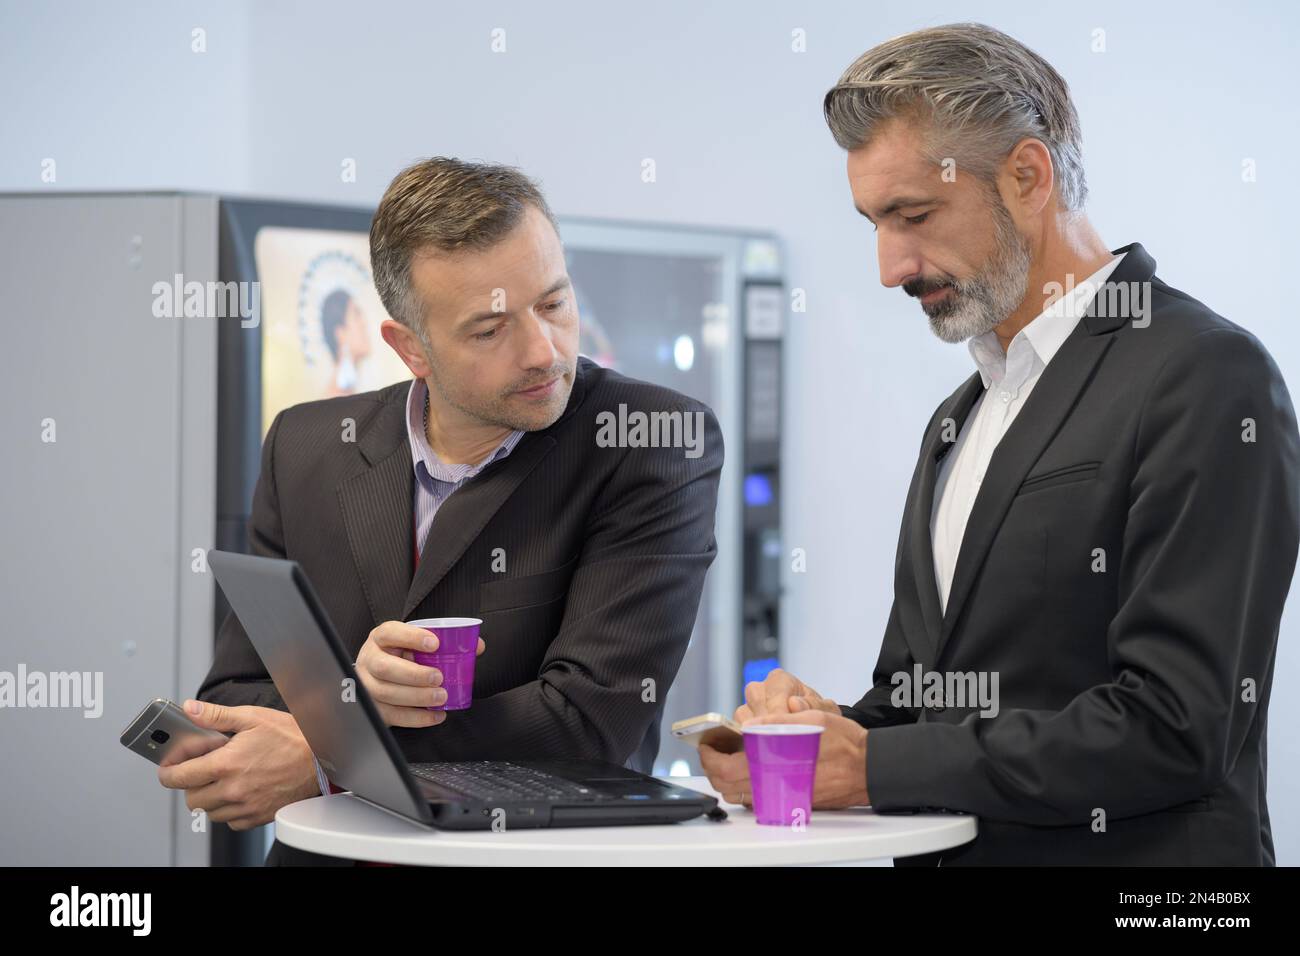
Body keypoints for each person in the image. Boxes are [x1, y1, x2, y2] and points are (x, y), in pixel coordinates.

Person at [702, 22, 1299, 866]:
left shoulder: (1206, 375)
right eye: (873, 222)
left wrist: (869, 765)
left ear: (1027, 175)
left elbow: (1178, 725)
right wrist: (827, 734)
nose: (889, 265)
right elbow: (926, 705)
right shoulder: (959, 416)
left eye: (912, 215)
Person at [161, 157, 724, 865]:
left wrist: (332, 751)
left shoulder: (650, 440)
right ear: (409, 347)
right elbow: (240, 690)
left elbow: (588, 722)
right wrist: (348, 697)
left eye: (554, 302)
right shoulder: (306, 447)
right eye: (489, 330)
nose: (543, 351)